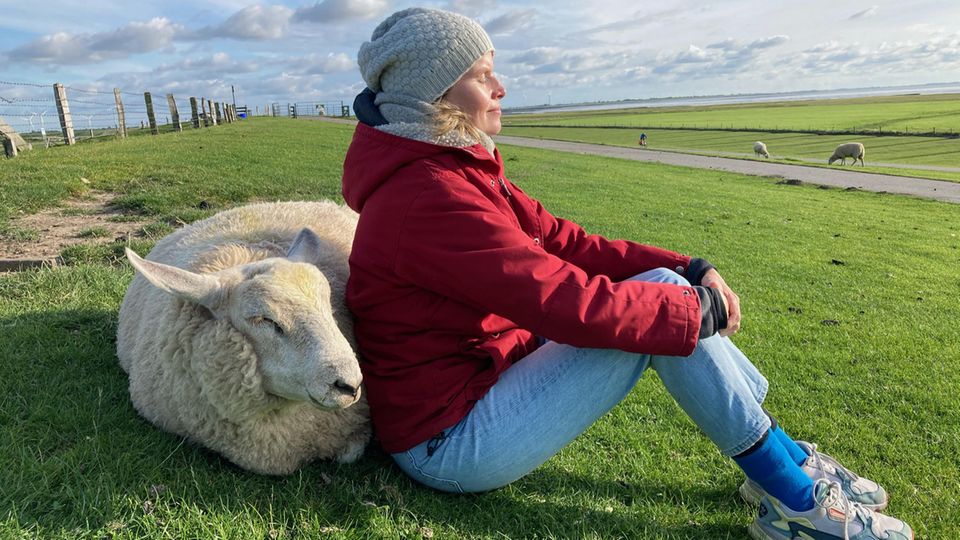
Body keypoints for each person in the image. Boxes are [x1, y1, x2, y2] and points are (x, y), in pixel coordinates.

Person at [341, 8, 913, 540]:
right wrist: (687, 305)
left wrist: (688, 266)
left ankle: (782, 464)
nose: (500, 87)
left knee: (668, 292)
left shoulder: (451, 167)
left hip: (489, 381)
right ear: (436, 95)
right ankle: (795, 503)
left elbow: (565, 242)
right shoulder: (427, 195)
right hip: (449, 442)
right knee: (664, 306)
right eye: (482, 75)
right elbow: (558, 299)